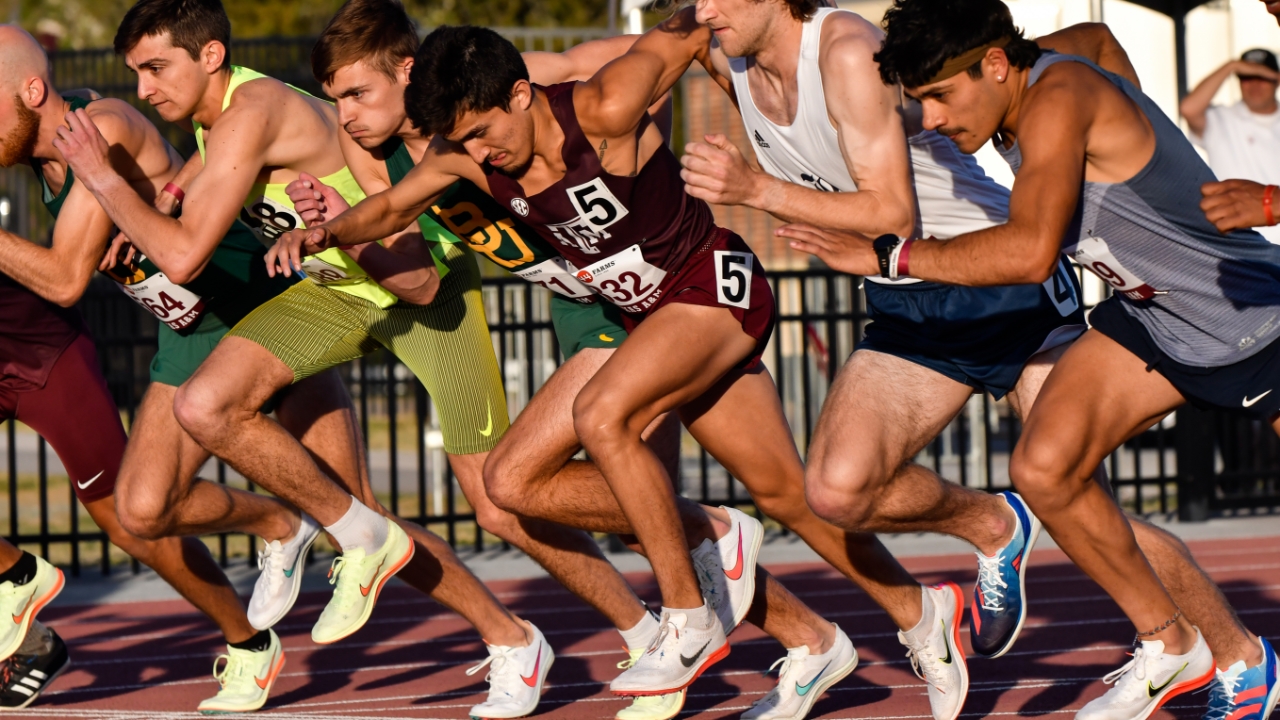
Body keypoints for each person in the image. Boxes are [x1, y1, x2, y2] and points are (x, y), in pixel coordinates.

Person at [289, 3, 856, 717]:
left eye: (357, 95)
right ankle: (796, 622)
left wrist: (701, 53)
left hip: (646, 285)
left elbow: (660, 51)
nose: (345, 116)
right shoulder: (417, 153)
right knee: (540, 492)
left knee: (619, 447)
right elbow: (397, 236)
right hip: (581, 291)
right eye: (335, 100)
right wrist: (325, 233)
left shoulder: (546, 89)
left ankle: (691, 615)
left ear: (410, 72)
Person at [776, 1, 1280, 719]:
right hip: (1153, 322)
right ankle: (1171, 644)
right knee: (1043, 470)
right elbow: (1100, 38)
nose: (937, 121)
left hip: (1252, 323)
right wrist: (1148, 142)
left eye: (943, 98)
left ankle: (1230, 655)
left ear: (992, 66)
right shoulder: (1025, 67)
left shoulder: (1058, 99)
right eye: (920, 103)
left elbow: (1030, 251)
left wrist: (893, 255)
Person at [51, 0, 548, 715]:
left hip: (411, 287)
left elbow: (186, 256)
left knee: (501, 502)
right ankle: (329, 541)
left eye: (156, 67)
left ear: (212, 57)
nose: (143, 88)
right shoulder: (217, 115)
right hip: (334, 292)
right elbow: (215, 164)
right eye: (134, 72)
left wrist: (104, 180)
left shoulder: (249, 109)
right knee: (216, 419)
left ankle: (596, 616)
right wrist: (172, 190)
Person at [0, 23, 305, 712]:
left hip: (258, 311)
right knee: (140, 513)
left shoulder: (99, 127)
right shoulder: (38, 150)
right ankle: (274, 538)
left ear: (31, 89)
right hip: (188, 332)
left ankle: (513, 638)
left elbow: (64, 280)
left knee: (367, 515)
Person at [1181, 49, 1280, 244]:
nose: (1254, 85)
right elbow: (1188, 108)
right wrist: (1231, 66)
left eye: (1262, 77)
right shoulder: (1220, 118)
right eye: (1246, 77)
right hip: (1237, 246)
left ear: (1275, 80)